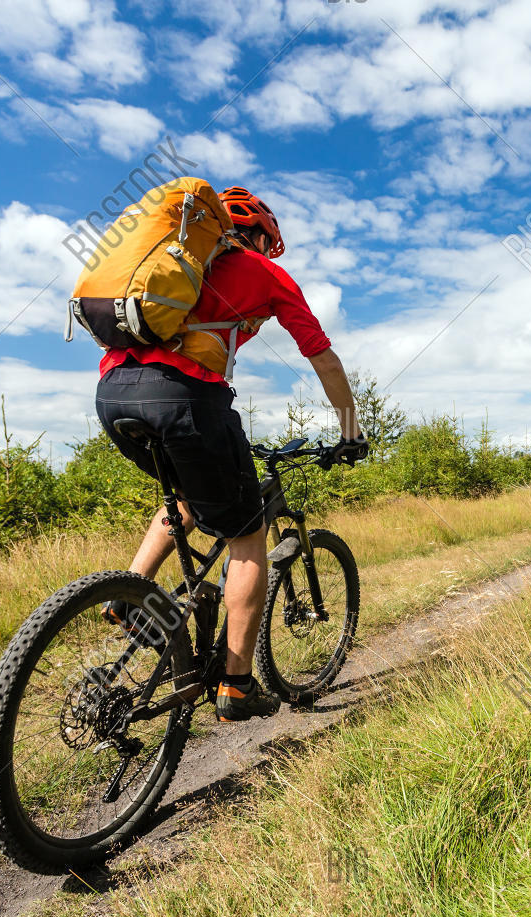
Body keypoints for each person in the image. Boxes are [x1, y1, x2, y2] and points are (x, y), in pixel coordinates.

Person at [94, 185, 368, 722]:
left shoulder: (166, 263)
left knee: (188, 497)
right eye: (269, 242)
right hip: (187, 399)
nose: (268, 251)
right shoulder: (263, 271)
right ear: (259, 235)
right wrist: (351, 430)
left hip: (113, 394)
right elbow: (323, 357)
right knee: (246, 533)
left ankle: (128, 595)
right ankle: (237, 686)